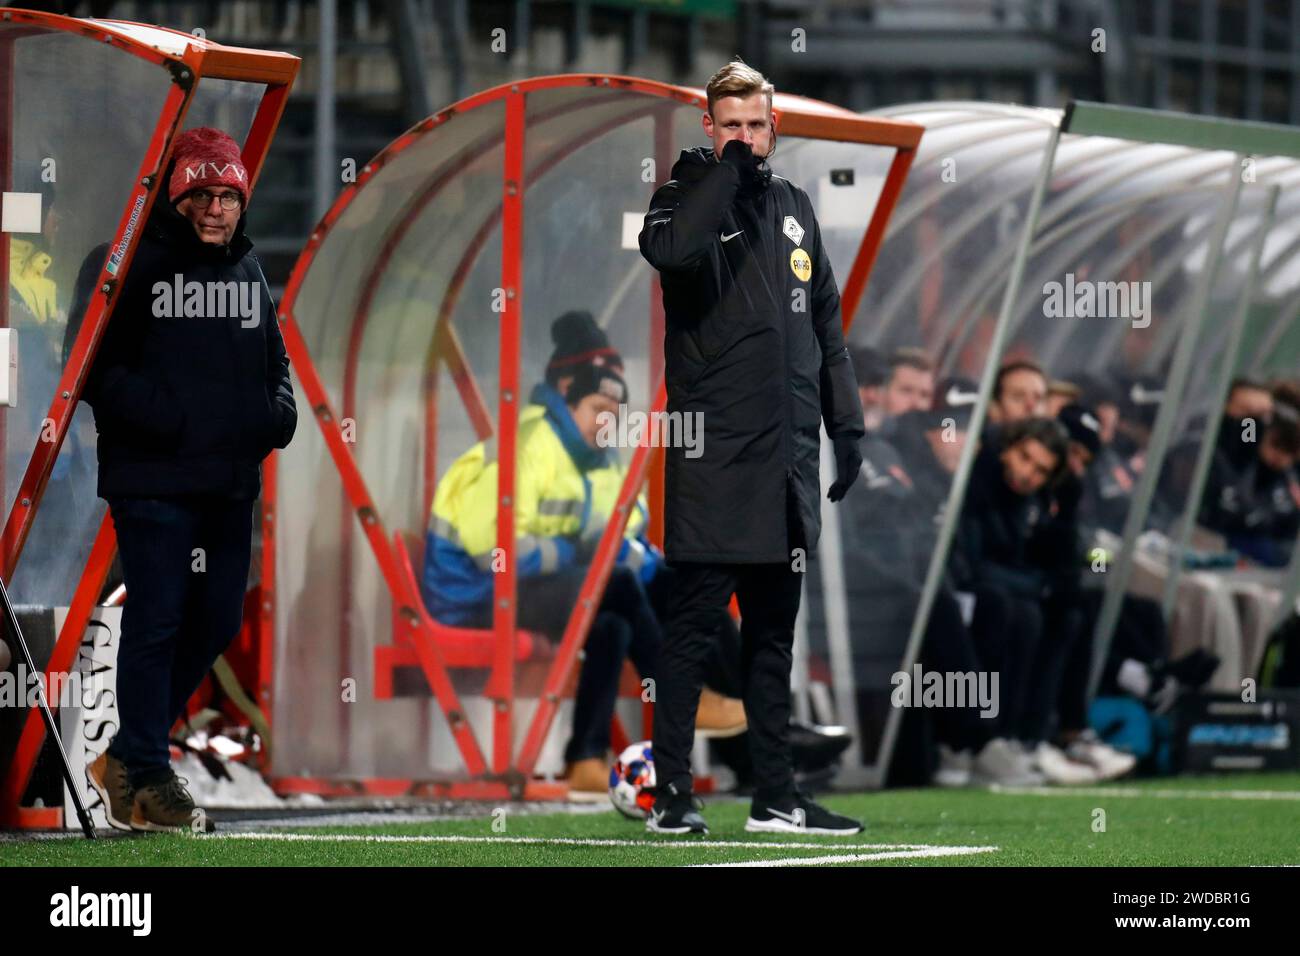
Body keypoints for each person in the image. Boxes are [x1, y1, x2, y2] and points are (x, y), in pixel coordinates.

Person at [638, 59, 864, 835]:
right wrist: (723, 176)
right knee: (694, 634)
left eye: (755, 126)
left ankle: (776, 795)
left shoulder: (797, 207)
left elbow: (827, 326)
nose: (744, 137)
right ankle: (673, 796)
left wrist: (848, 426)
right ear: (709, 128)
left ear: (776, 128)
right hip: (715, 459)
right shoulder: (680, 200)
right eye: (729, 125)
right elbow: (672, 255)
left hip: (786, 463)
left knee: (774, 638)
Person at [422, 314, 746, 798]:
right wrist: (578, 552)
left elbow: (624, 534)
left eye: (615, 412)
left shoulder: (595, 455)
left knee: (653, 597)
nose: (607, 421)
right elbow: (496, 552)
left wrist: (659, 570)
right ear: (567, 395)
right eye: (598, 407)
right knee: (614, 585)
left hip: (537, 586)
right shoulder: (528, 444)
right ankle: (686, 698)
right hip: (473, 590)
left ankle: (587, 758)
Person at [82, 127, 296, 832]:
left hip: (229, 483)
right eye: (200, 193)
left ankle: (125, 758)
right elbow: (93, 371)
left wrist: (275, 416)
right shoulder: (124, 263)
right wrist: (178, 421)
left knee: (215, 620)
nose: (215, 208)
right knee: (158, 618)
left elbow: (277, 364)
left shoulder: (250, 270)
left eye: (227, 194)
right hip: (154, 480)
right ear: (174, 197)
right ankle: (144, 771)